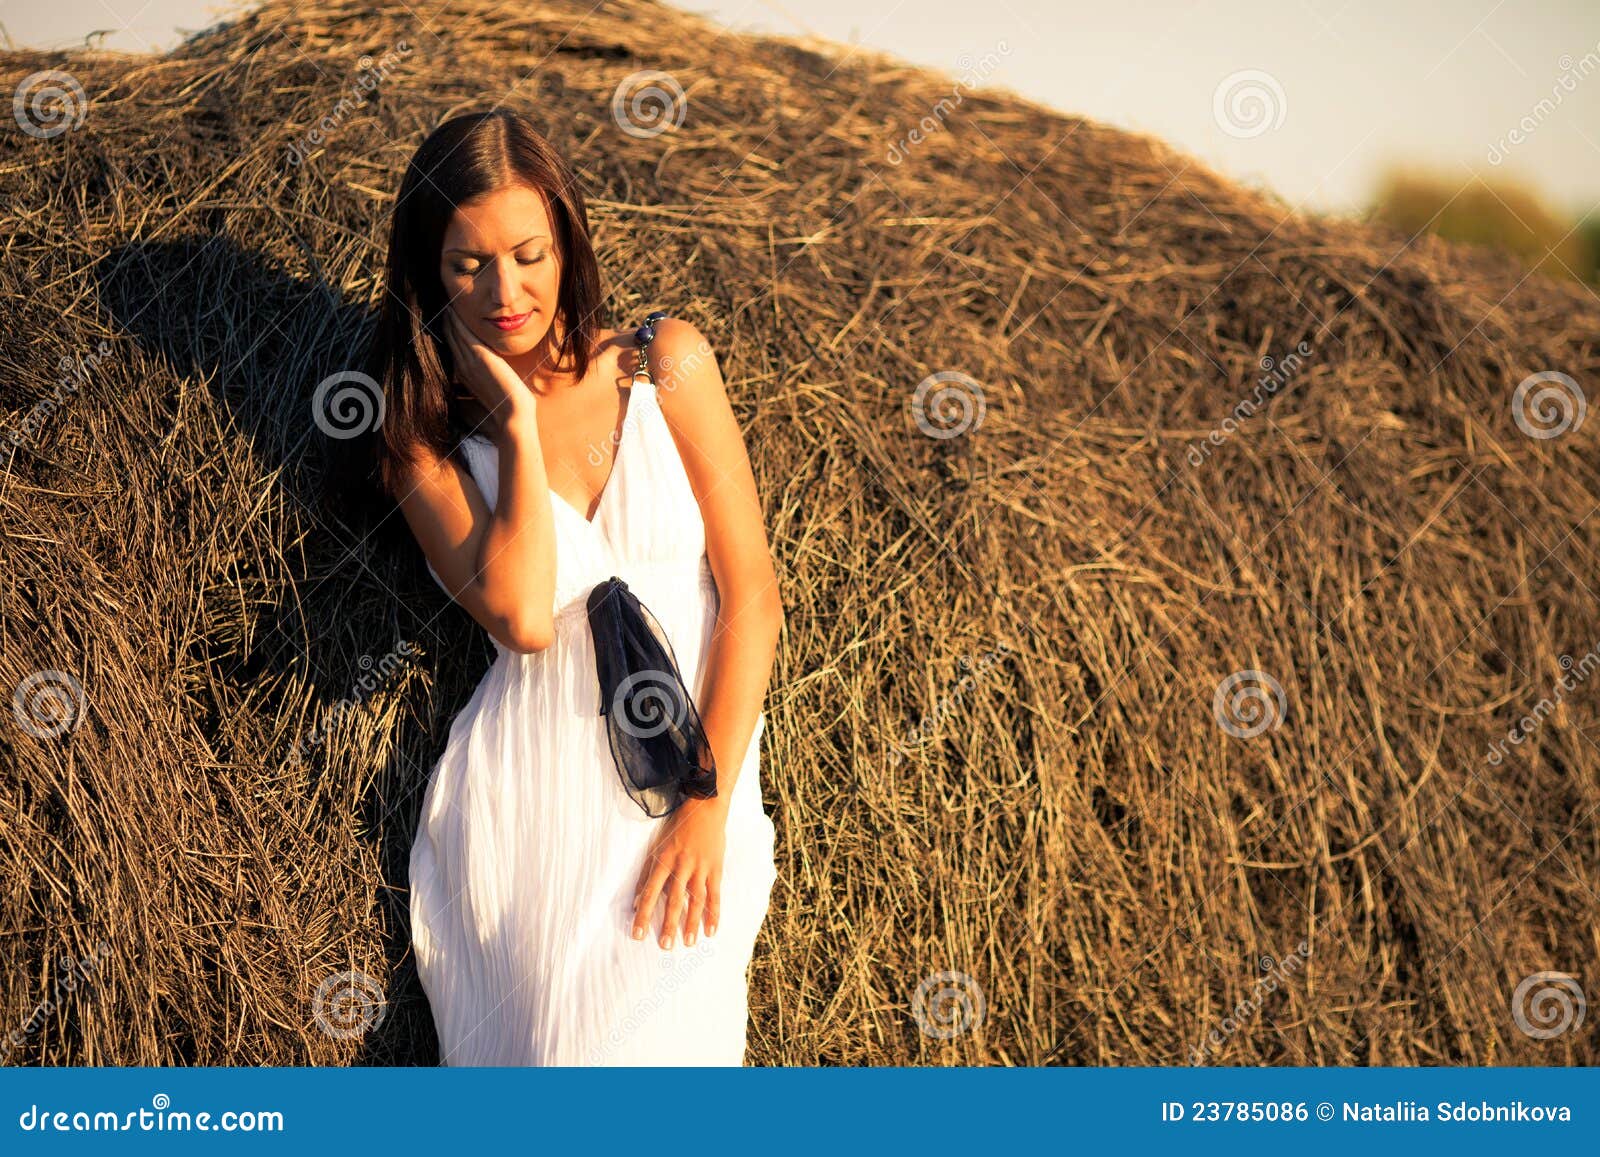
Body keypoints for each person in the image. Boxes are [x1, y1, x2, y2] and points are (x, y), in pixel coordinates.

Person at [364, 109, 783, 1065]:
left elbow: (752, 596)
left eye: (527, 253)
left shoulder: (665, 363)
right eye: (468, 264)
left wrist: (707, 807)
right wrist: (512, 418)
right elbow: (520, 615)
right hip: (529, 811)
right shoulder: (422, 447)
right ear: (430, 271)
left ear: (569, 240)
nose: (504, 291)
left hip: (692, 788)